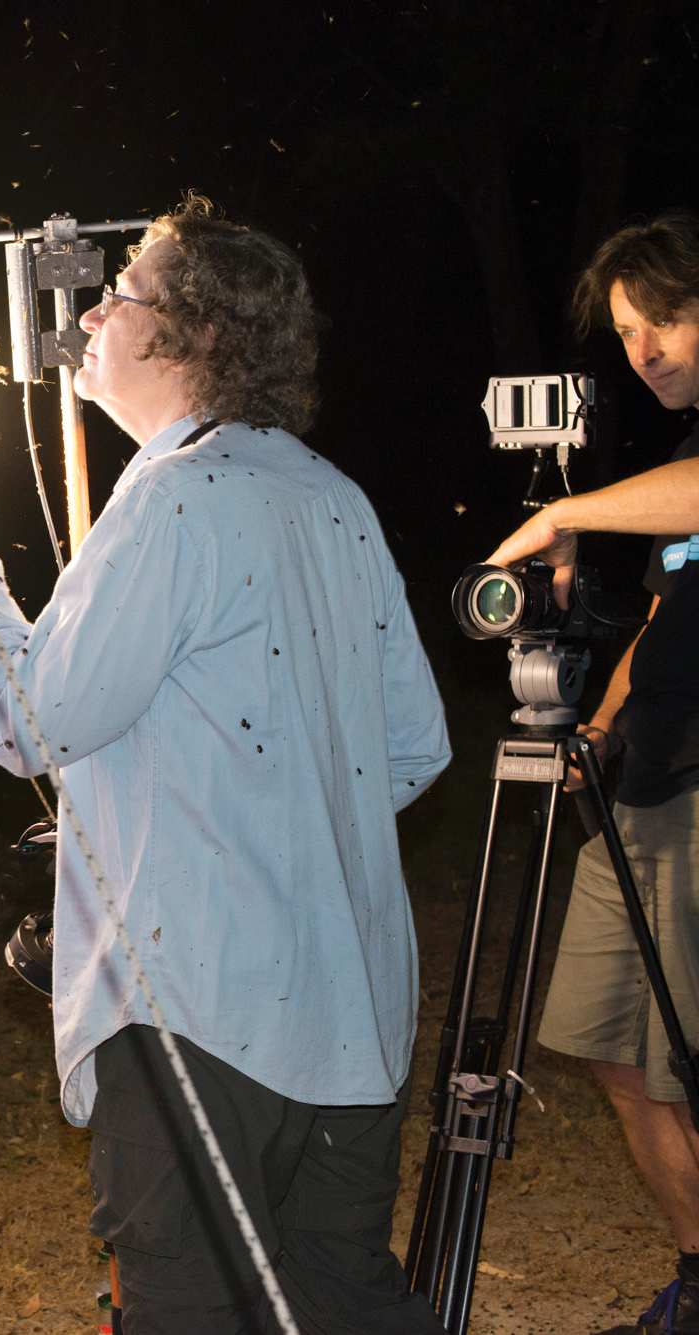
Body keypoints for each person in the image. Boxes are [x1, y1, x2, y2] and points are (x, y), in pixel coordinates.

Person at [0, 198, 451, 1333]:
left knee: (189, 1307)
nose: (91, 314)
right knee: (340, 1299)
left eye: (119, 295)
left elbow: (29, 724)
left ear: (195, 334)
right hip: (351, 1009)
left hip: (198, 1010)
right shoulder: (331, 496)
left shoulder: (173, 497)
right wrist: (241, 805)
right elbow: (414, 747)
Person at [484, 209, 699, 1335]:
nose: (644, 350)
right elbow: (663, 616)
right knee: (614, 1051)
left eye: (665, 318)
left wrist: (568, 510)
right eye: (624, 332)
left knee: (687, 1060)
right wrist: (599, 726)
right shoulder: (674, 469)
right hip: (644, 787)